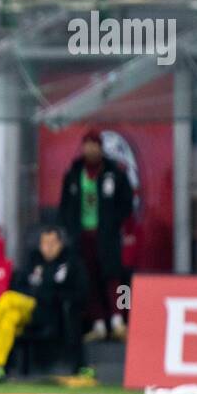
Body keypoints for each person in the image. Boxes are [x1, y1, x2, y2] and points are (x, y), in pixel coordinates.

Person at [0, 226, 90, 387]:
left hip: (51, 312)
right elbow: (19, 284)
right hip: (27, 310)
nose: (48, 248)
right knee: (8, 316)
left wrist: (49, 294)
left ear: (61, 244)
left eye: (53, 243)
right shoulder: (33, 260)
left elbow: (80, 292)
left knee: (7, 300)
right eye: (45, 243)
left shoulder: (71, 262)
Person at [58, 130, 133, 342]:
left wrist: (113, 222)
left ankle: (119, 321)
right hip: (82, 237)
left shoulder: (115, 173)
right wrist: (70, 229)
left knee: (116, 280)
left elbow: (126, 203)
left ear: (101, 148)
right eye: (86, 144)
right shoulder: (73, 173)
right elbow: (64, 206)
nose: (90, 149)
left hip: (107, 236)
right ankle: (99, 324)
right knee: (89, 280)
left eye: (94, 144)